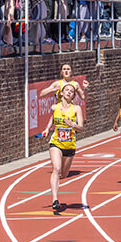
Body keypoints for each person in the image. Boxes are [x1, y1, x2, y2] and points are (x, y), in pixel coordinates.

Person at [40, 83, 84, 214]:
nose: (69, 92)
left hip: (69, 146)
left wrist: (73, 125)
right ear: (62, 93)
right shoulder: (55, 107)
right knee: (56, 169)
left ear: (74, 95)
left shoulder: (76, 109)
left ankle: (57, 193)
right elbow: (53, 118)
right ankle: (55, 200)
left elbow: (81, 127)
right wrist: (47, 129)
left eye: (71, 91)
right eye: (67, 90)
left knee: (63, 174)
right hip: (56, 143)